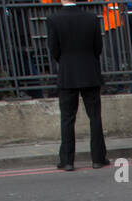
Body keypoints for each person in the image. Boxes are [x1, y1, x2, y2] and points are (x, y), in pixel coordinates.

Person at [47, 0, 108, 171]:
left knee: (67, 119)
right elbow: (98, 47)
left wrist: (66, 61)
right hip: (90, 72)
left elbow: (54, 49)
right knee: (95, 117)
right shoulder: (91, 18)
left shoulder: (53, 19)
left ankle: (67, 160)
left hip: (67, 74)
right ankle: (98, 158)